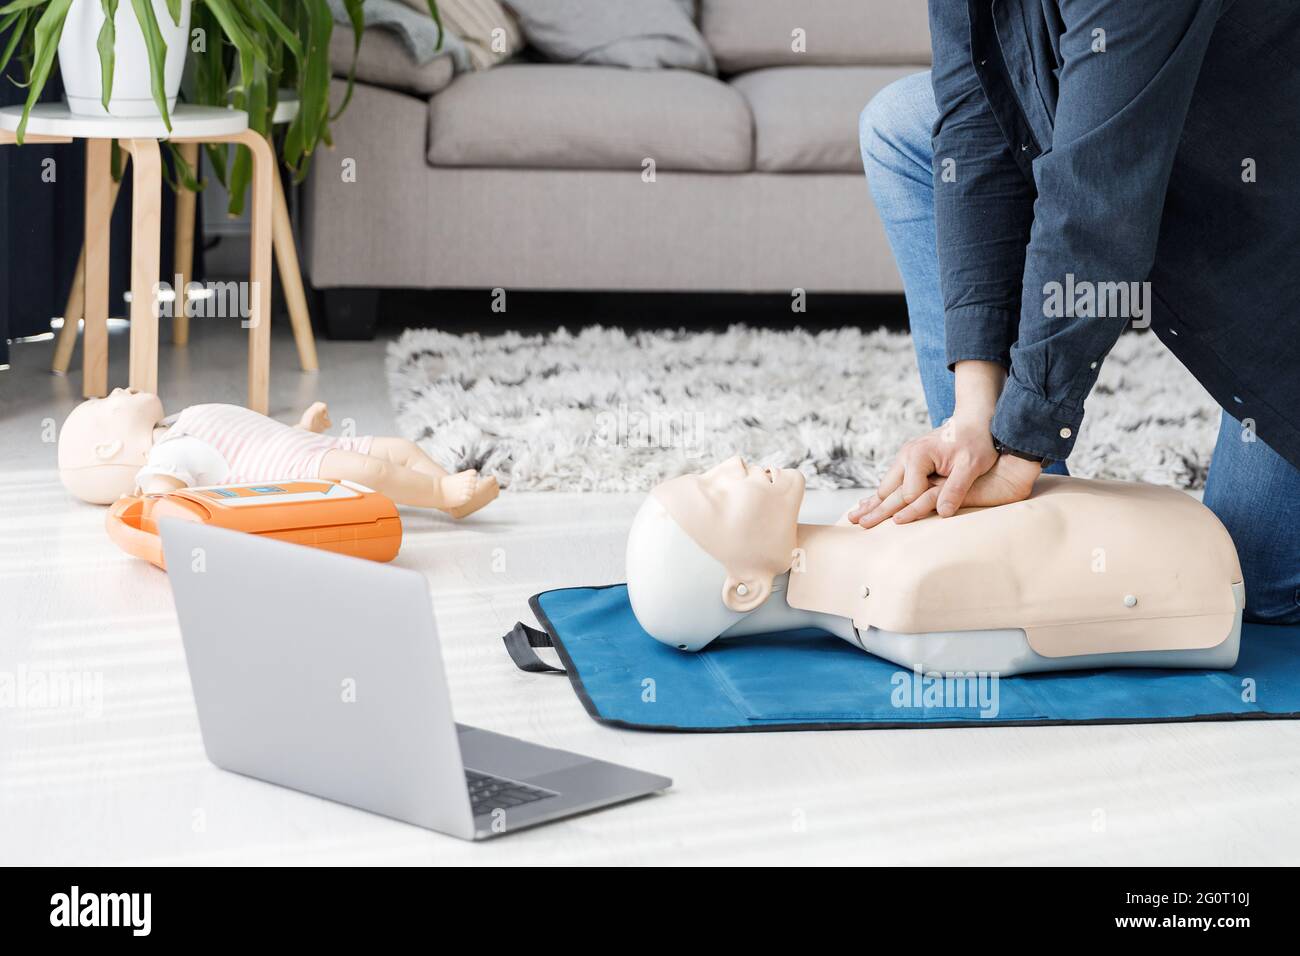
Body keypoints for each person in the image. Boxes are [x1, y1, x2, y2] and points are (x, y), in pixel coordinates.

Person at [853, 0, 1299, 624]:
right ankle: (1032, 526)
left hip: (1276, 216)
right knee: (901, 121)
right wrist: (977, 412)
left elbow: (1095, 206)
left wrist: (1025, 434)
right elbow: (975, 121)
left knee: (1246, 589)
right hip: (1172, 145)